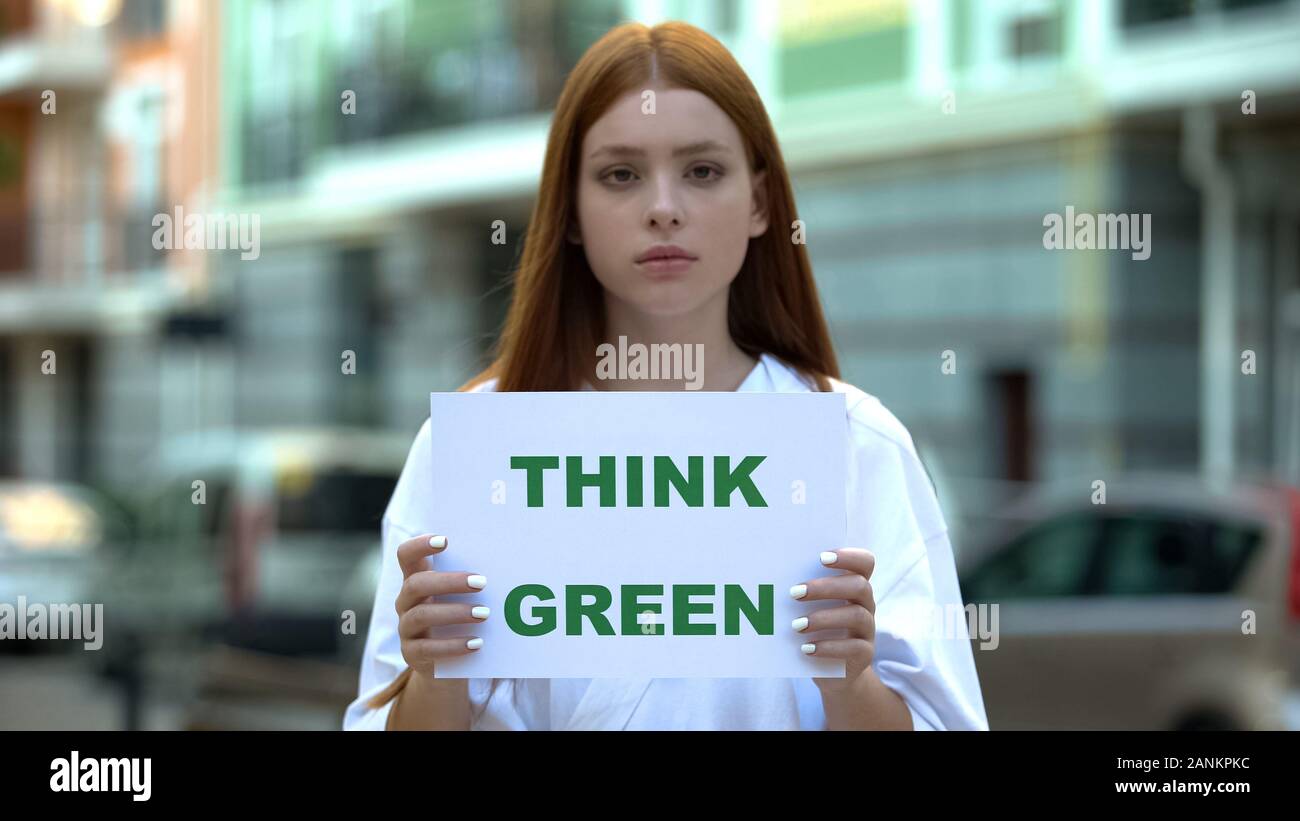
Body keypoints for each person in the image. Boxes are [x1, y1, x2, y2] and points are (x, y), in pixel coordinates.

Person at [344, 20, 988, 731]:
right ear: (572, 212)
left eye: (703, 171)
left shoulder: (858, 446)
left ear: (760, 203)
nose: (663, 207)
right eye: (620, 174)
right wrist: (436, 676)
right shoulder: (466, 450)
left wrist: (851, 682)